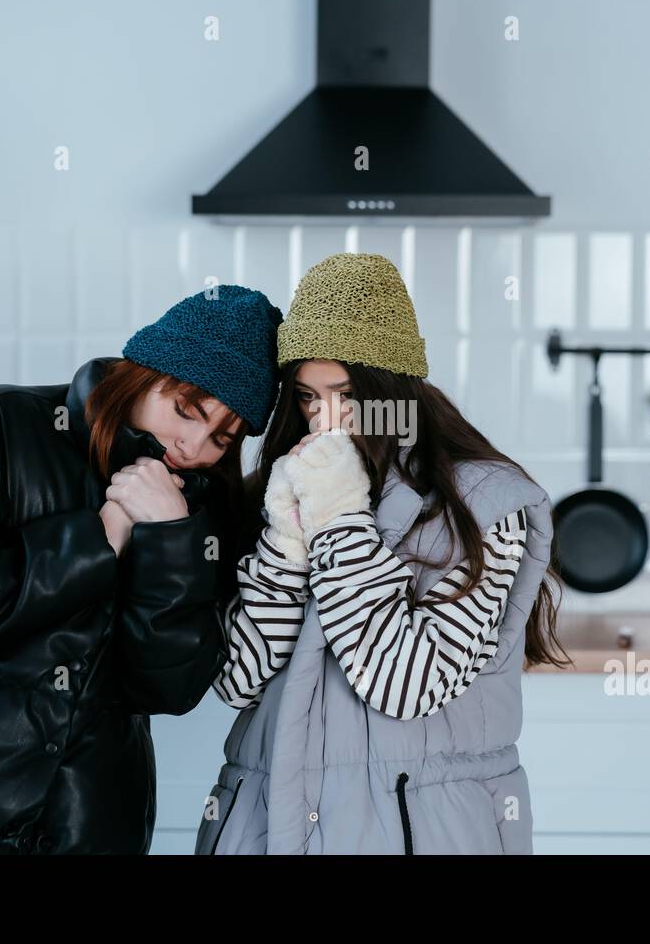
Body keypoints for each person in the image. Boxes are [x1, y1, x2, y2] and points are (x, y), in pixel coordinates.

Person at [0, 285, 281, 853]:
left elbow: (168, 689)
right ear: (143, 371)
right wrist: (99, 539)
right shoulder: (5, 424)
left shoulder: (198, 505)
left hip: (91, 825)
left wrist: (171, 542)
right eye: (185, 410)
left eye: (223, 437)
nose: (193, 444)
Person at [196, 254, 571, 855]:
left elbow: (401, 684)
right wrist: (290, 537)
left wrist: (340, 515)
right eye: (306, 396)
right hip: (265, 825)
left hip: (420, 830)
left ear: (392, 388)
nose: (323, 418)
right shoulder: (286, 486)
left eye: (344, 394)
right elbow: (236, 681)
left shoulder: (485, 507)